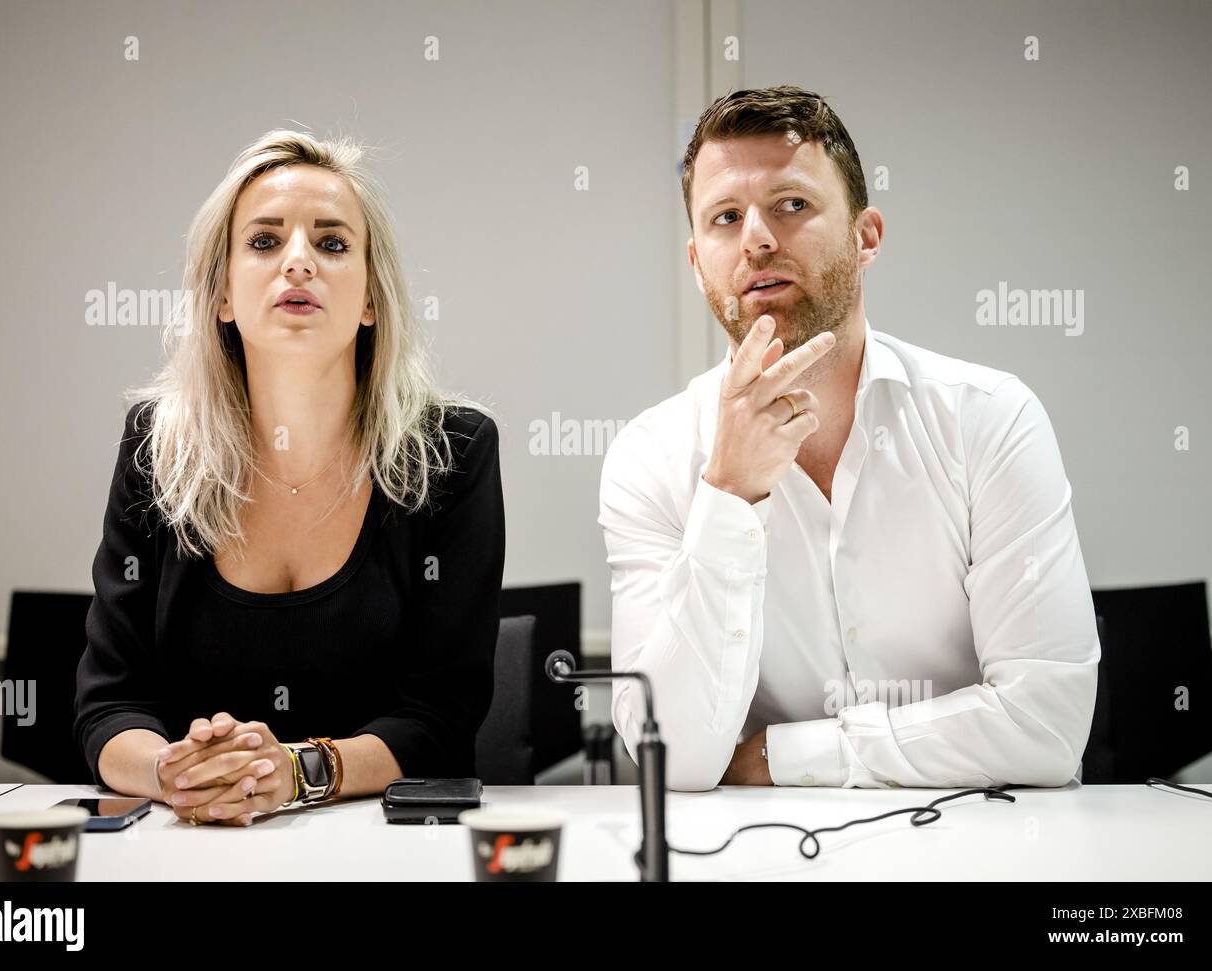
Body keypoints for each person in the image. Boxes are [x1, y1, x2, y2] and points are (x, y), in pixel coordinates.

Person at [599, 86, 1099, 791]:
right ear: (696, 262)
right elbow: (675, 758)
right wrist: (729, 496)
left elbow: (1047, 724)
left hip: (985, 846)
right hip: (761, 858)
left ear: (866, 237)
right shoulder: (650, 459)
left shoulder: (990, 419)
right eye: (726, 218)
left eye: (791, 205)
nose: (758, 238)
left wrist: (788, 756)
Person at [74, 130, 504, 825]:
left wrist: (299, 771)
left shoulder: (453, 452)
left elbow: (440, 714)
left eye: (331, 244)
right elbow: (108, 702)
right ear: (222, 293)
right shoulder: (156, 447)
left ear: (370, 298)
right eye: (265, 242)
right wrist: (174, 772)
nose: (298, 261)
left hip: (393, 855)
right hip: (195, 850)